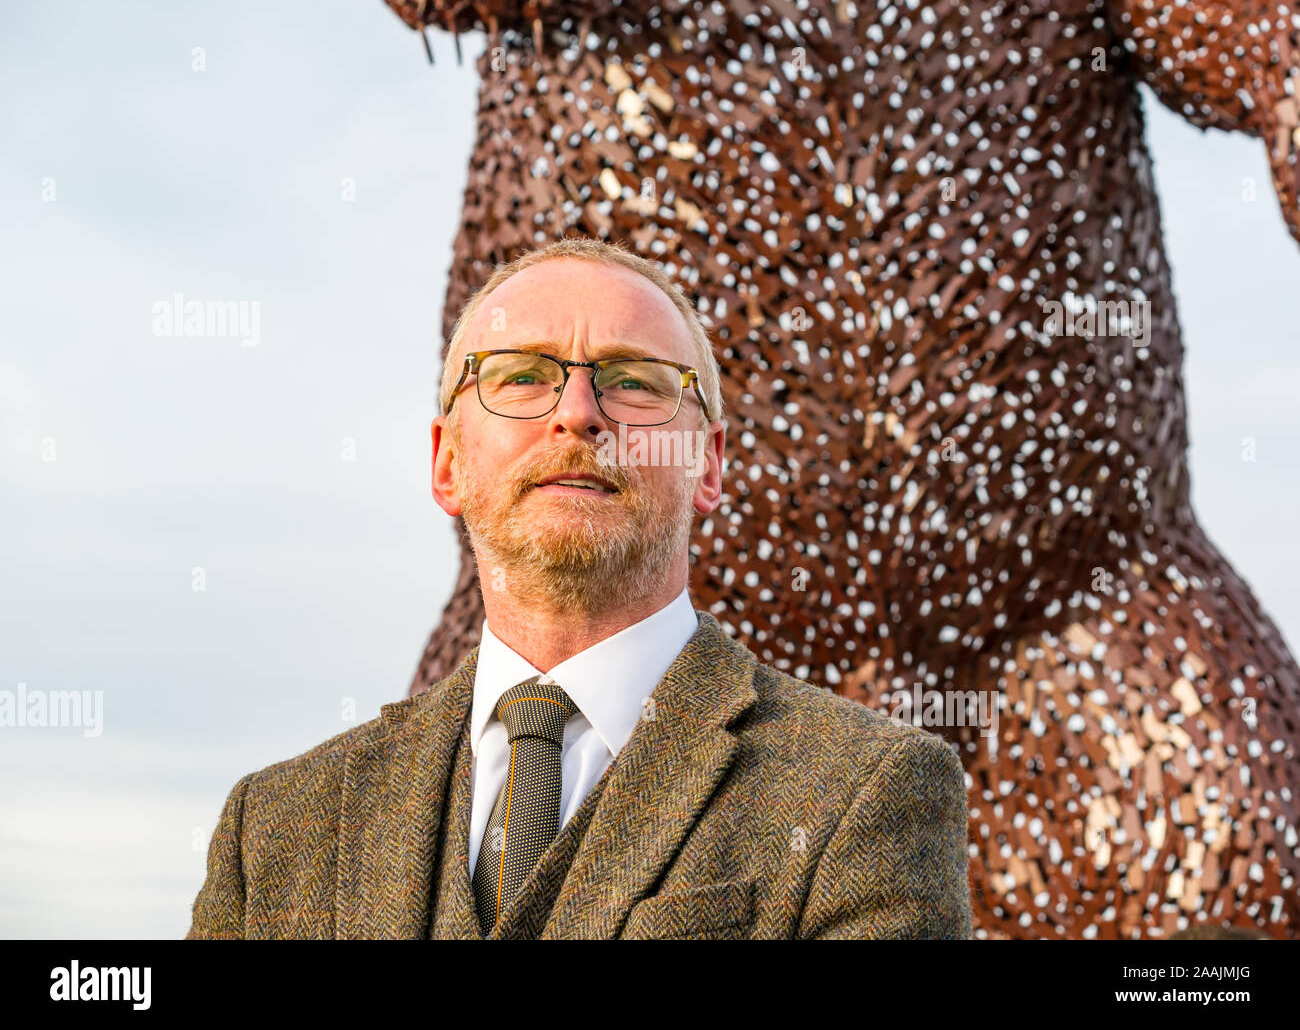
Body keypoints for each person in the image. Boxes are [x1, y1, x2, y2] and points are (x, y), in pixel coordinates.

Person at [186, 236, 972, 939]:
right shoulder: (278, 827)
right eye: (521, 376)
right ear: (447, 462)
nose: (577, 413)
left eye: (634, 381)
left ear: (709, 465)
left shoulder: (863, 792)